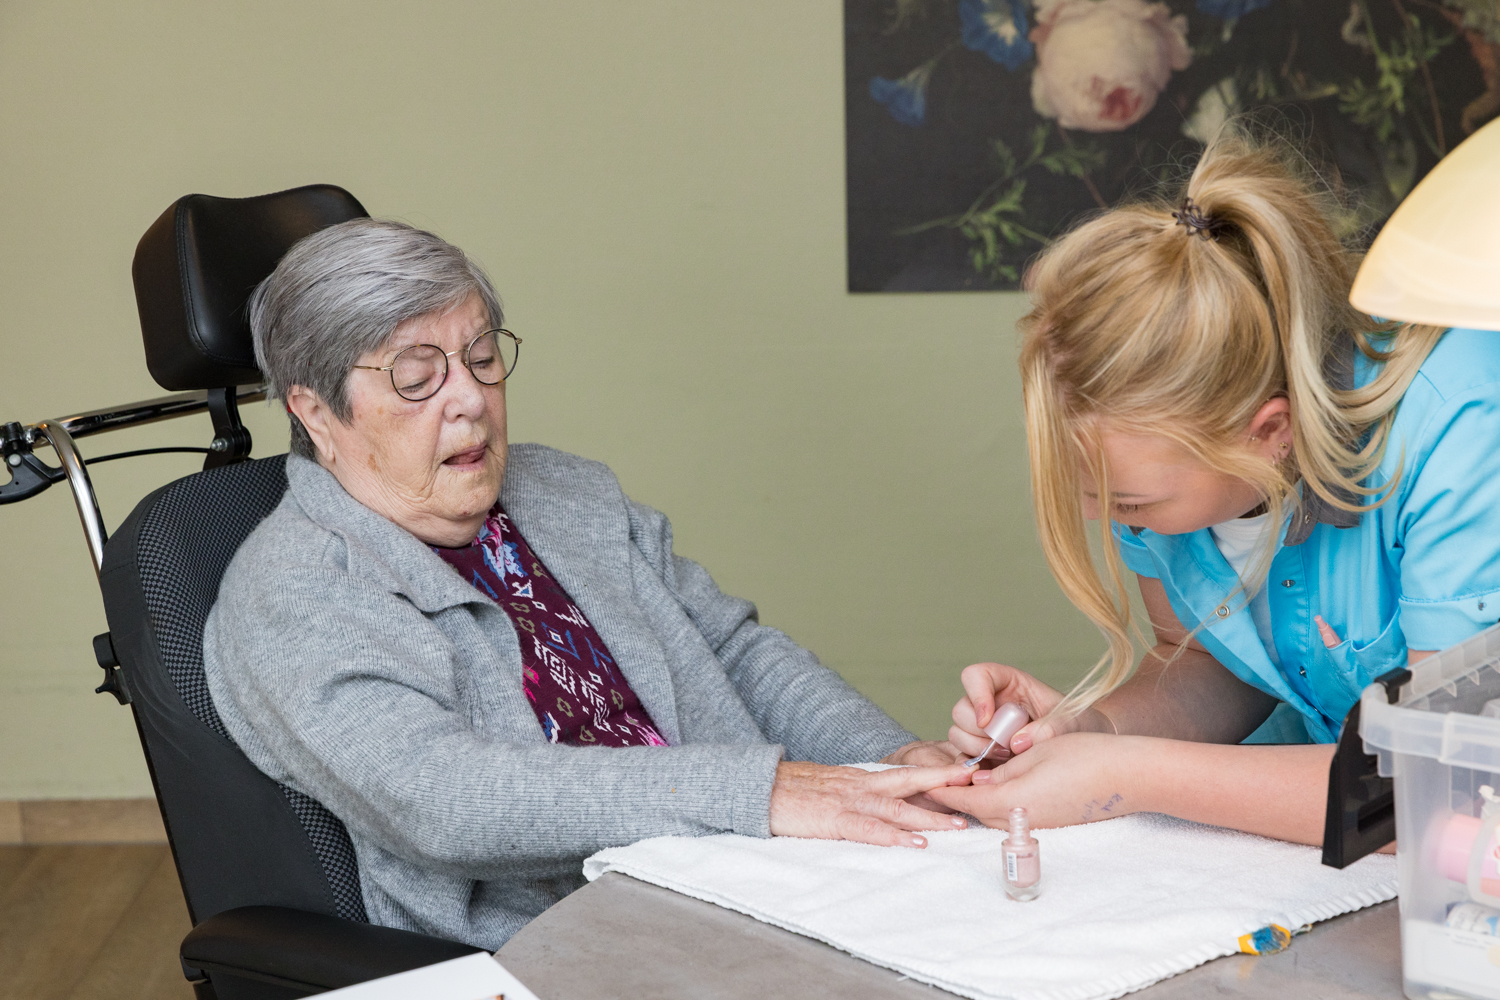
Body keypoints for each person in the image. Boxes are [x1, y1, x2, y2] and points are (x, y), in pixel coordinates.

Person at [202, 218, 974, 949]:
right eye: (416, 377)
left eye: (480, 357)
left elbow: (734, 652)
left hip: (761, 877)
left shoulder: (568, 493)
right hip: (570, 944)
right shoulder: (296, 591)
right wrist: (759, 794)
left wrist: (890, 761)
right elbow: (444, 799)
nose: (470, 398)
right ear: (317, 413)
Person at [933, 126, 1500, 845]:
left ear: (1269, 433)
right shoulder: (1142, 463)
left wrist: (1128, 773)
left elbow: (1439, 785)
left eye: (1132, 506)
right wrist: (1092, 728)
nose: (1104, 519)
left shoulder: (1459, 422)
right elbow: (1207, 660)